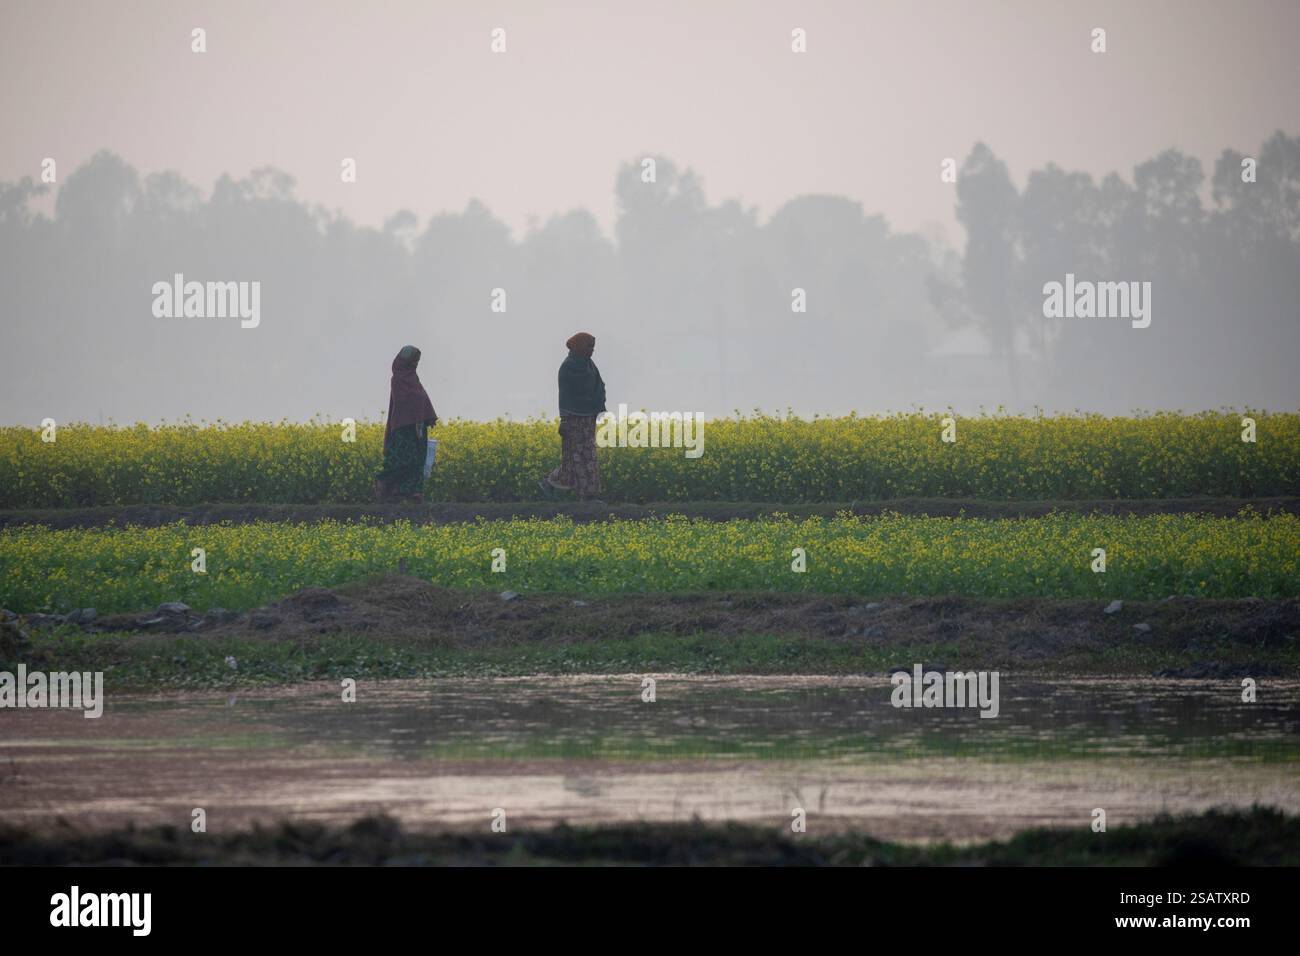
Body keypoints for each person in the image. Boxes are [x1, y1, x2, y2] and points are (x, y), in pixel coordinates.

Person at [540, 332, 606, 500]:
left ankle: (551, 483)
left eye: (593, 347)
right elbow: (565, 396)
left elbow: (599, 384)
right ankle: (587, 496)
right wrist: (563, 419)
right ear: (578, 347)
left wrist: (598, 406)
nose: (592, 350)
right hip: (573, 419)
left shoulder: (589, 365)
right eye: (588, 347)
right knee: (578, 457)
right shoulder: (568, 367)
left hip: (588, 418)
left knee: (586, 456)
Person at [374, 345, 438, 503]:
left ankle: (411, 492)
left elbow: (422, 399)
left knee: (417, 460)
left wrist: (427, 416)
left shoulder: (413, 378)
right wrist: (417, 414)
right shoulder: (398, 379)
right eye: (413, 360)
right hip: (403, 427)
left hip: (417, 427)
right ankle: (385, 487)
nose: (415, 363)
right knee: (400, 459)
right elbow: (405, 402)